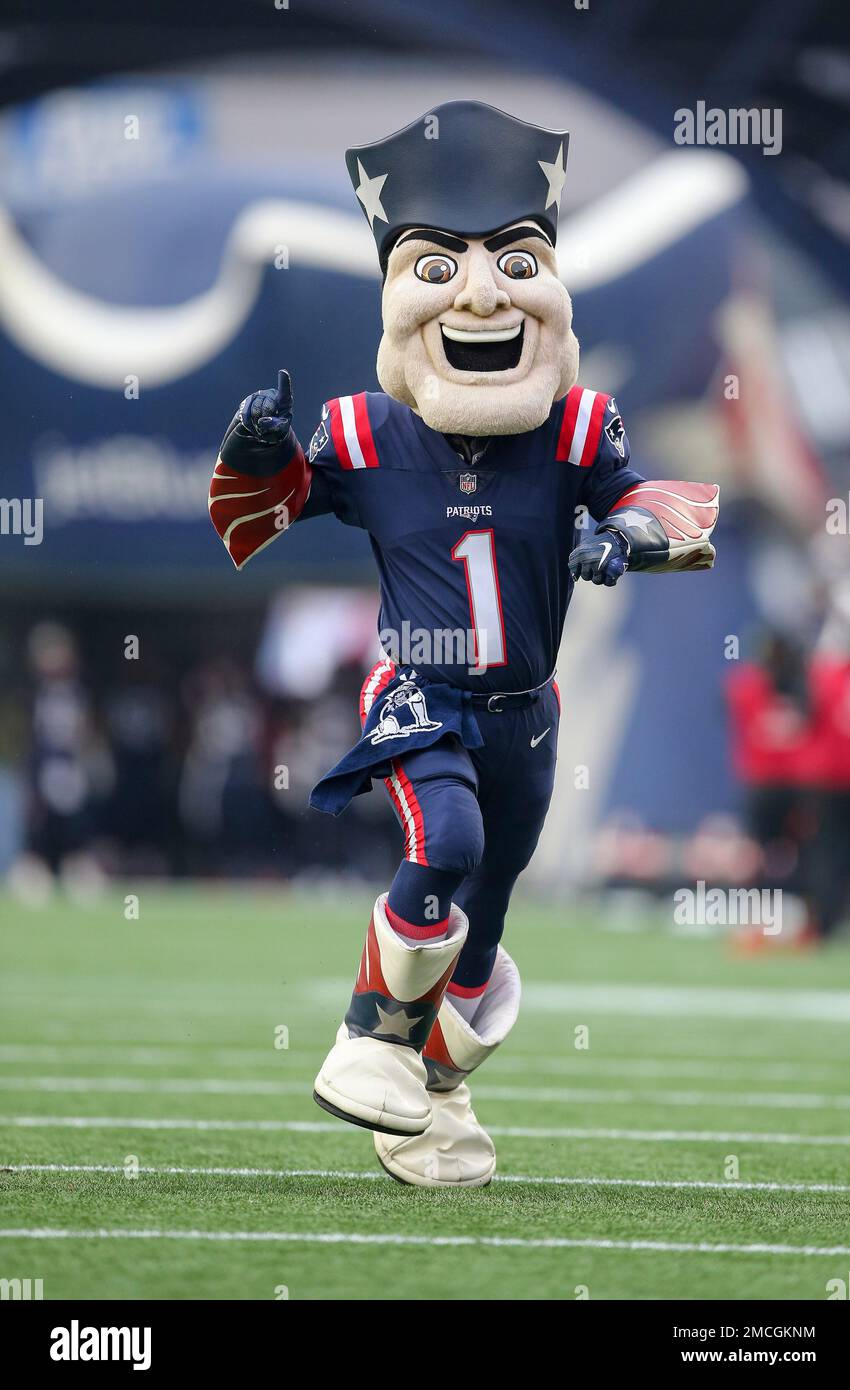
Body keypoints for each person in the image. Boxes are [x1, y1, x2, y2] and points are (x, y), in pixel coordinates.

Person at [209, 100, 719, 1187]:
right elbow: (263, 512)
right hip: (420, 692)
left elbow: (659, 504)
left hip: (525, 712)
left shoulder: (577, 424)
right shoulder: (362, 428)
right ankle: (363, 1037)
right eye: (439, 268)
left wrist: (623, 534)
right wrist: (255, 448)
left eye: (514, 261)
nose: (482, 294)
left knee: (478, 942)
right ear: (396, 291)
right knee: (442, 842)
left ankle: (432, 1108)